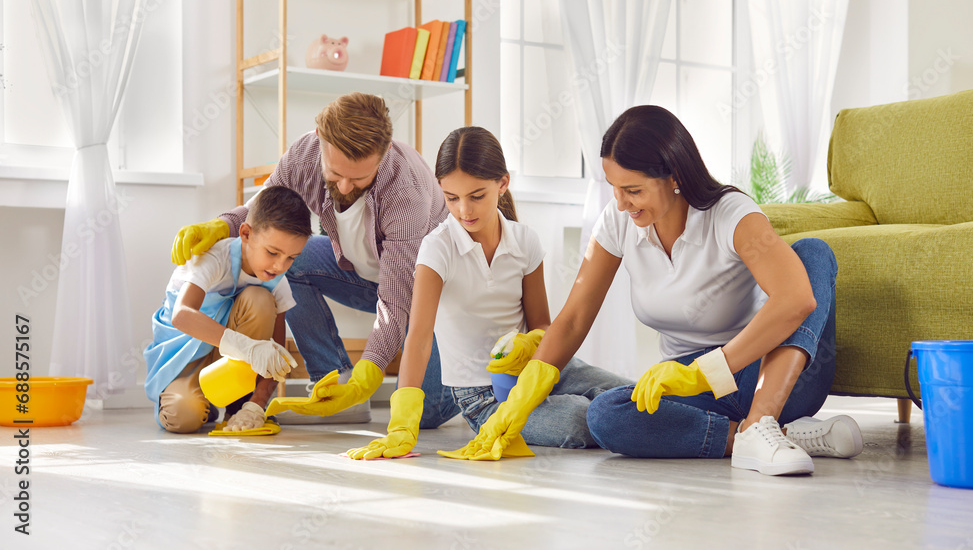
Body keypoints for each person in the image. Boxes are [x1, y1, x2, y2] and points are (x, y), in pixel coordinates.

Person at [448, 105, 863, 475]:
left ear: (675, 176)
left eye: (633, 190)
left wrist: (702, 372)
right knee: (607, 414)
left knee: (813, 253)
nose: (621, 203)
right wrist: (520, 401)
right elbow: (573, 319)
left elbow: (796, 300)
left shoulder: (730, 214)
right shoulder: (619, 221)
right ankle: (765, 437)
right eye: (614, 188)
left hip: (770, 371)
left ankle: (762, 420)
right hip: (694, 390)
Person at [170, 93, 459, 427]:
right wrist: (222, 225)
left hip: (426, 295)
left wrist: (368, 374)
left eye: (359, 178)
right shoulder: (305, 154)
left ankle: (471, 383)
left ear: (385, 152)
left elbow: (397, 299)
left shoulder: (406, 191)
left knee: (426, 413)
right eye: (335, 174)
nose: (346, 187)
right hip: (365, 276)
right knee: (289, 258)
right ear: (320, 139)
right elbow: (263, 207)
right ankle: (332, 381)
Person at [345, 127, 632, 460]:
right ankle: (598, 414)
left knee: (631, 393)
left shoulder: (525, 241)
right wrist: (401, 423)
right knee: (579, 421)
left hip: (537, 368)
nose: (464, 210)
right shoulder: (437, 248)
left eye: (477, 196)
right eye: (452, 198)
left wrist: (529, 344)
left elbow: (542, 324)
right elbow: (419, 339)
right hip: (482, 397)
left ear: (502, 184)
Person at [144, 186, 311, 433]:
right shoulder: (213, 258)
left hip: (227, 364)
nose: (279, 266)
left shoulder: (277, 283)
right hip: (184, 359)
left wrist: (256, 404)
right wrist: (247, 348)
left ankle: (239, 404)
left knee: (260, 299)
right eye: (272, 252)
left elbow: (274, 357)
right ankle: (199, 399)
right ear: (245, 233)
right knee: (183, 417)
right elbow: (181, 316)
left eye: (291, 258)